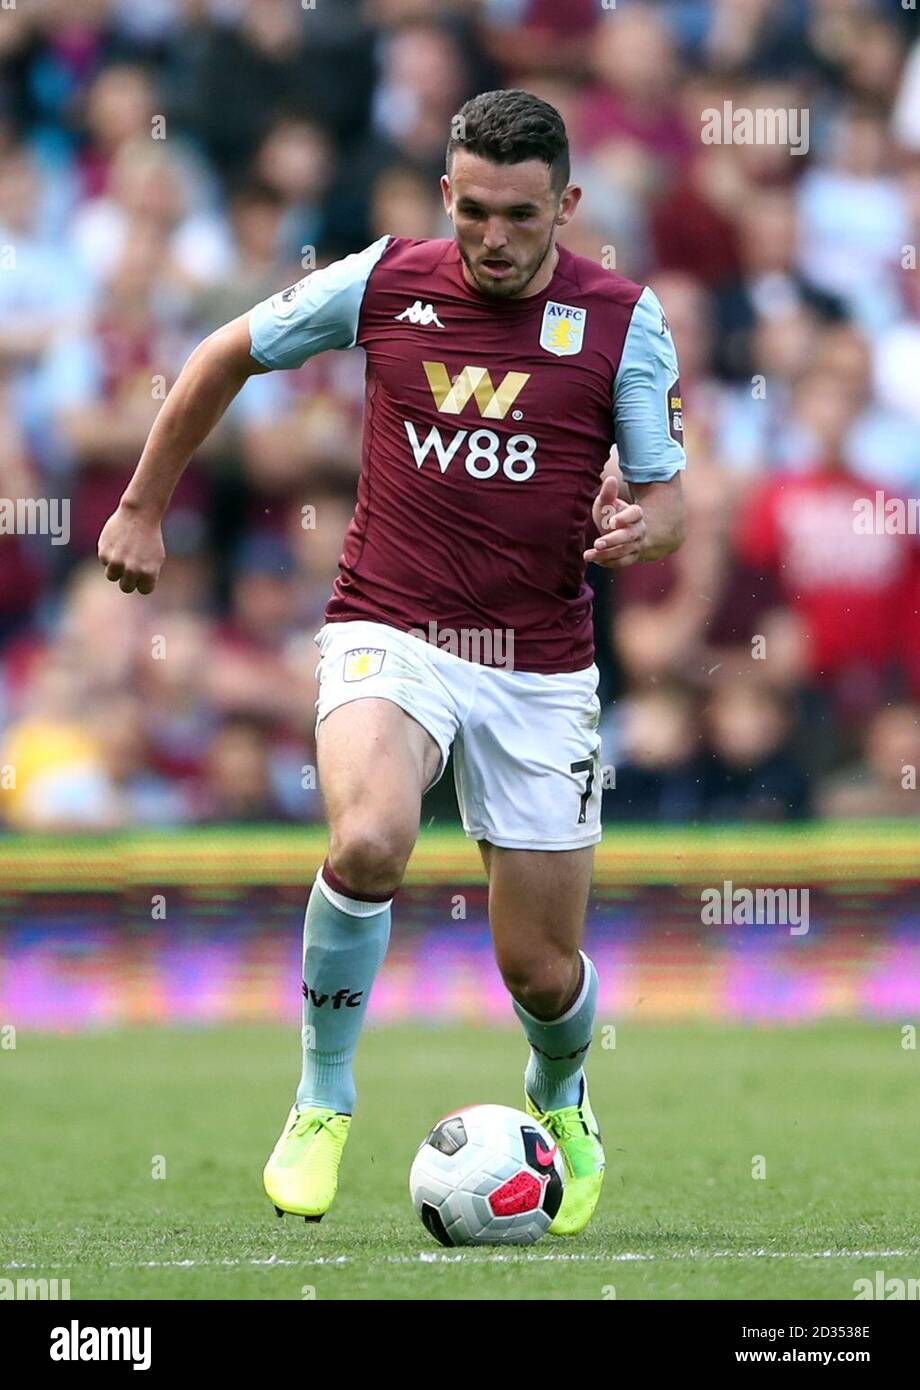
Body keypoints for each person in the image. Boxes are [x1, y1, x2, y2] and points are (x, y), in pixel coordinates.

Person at [97, 90, 687, 1235]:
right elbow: (222, 353)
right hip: (390, 622)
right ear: (444, 198)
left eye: (520, 215)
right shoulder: (383, 280)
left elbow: (666, 499)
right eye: (472, 212)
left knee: (540, 973)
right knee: (367, 840)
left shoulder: (622, 319)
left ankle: (559, 1092)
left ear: (564, 205)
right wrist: (139, 507)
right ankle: (322, 1097)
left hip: (537, 661)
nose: (494, 239)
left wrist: (640, 528)